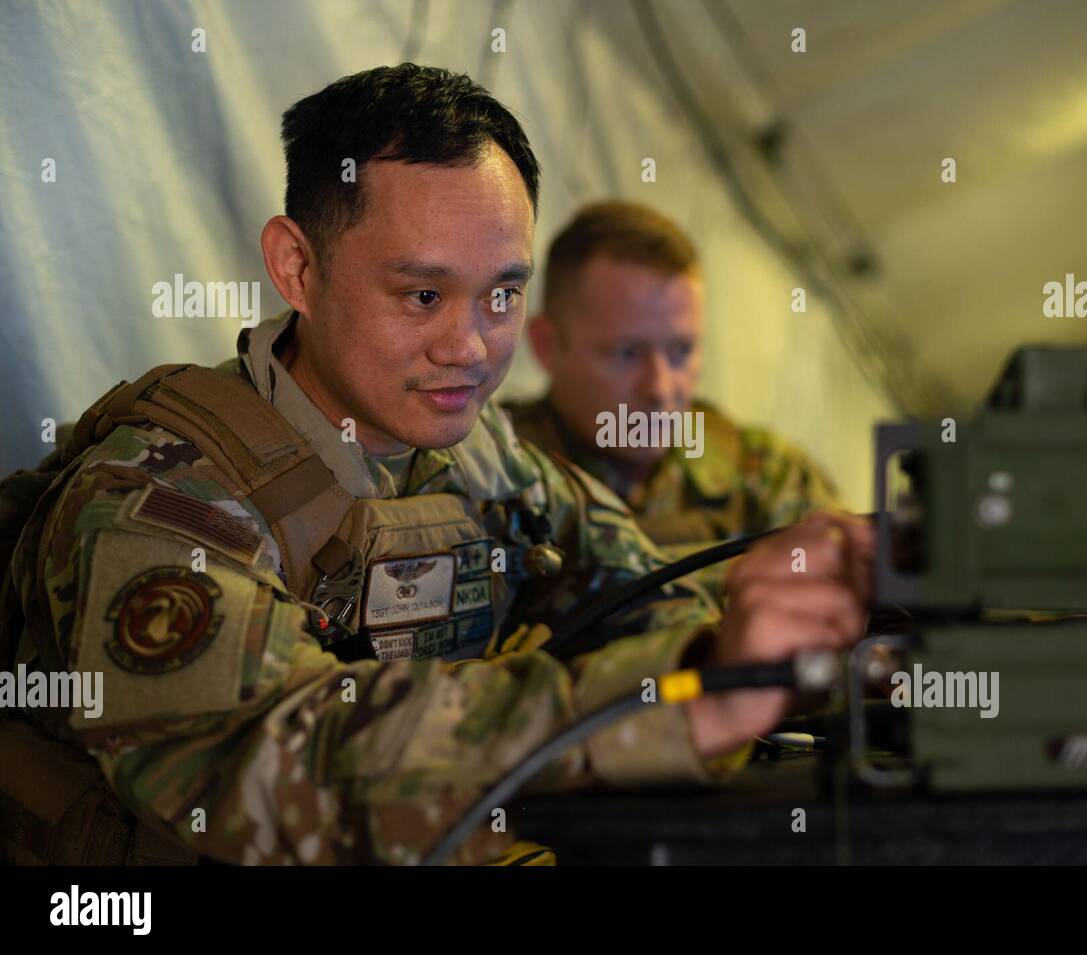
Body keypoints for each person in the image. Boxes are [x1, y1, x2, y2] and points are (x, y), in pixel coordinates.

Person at [0, 64, 873, 866]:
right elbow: (256, 760)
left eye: (502, 292)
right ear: (298, 267)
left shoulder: (478, 459)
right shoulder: (158, 493)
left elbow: (639, 593)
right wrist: (675, 711)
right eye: (423, 295)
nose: (470, 346)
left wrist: (811, 646)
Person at [504, 200, 840, 551]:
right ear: (547, 345)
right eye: (627, 353)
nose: (660, 389)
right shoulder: (496, 477)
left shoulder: (764, 476)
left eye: (680, 352)